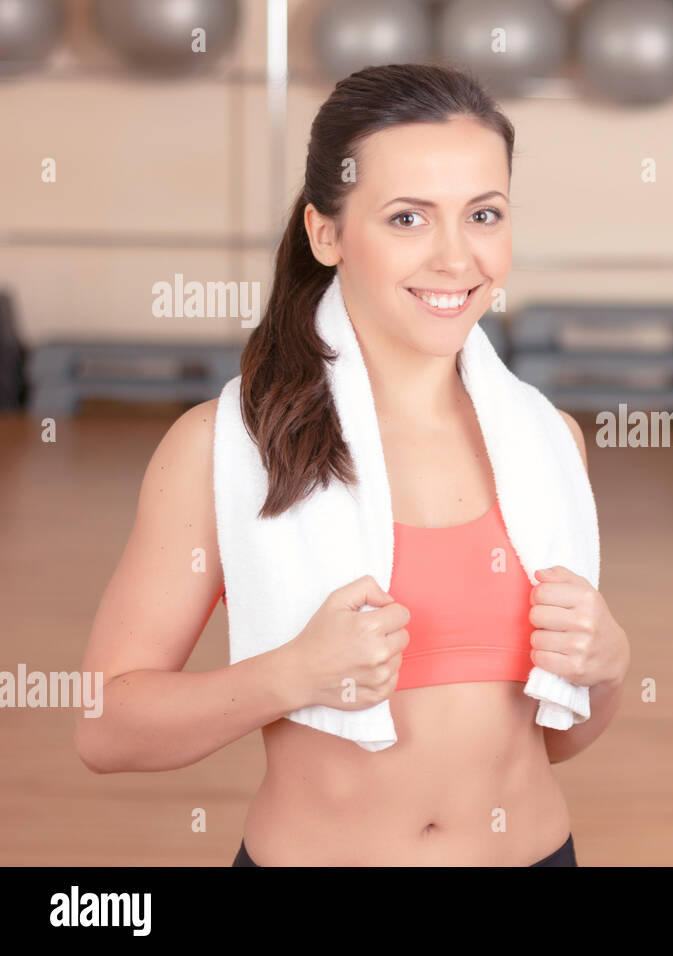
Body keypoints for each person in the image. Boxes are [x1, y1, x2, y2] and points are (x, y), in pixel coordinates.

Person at [73, 63, 630, 867]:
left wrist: (608, 670)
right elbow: (105, 726)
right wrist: (291, 674)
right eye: (407, 217)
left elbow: (561, 740)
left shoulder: (547, 443)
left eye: (484, 213)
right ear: (325, 232)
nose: (454, 257)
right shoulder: (226, 447)